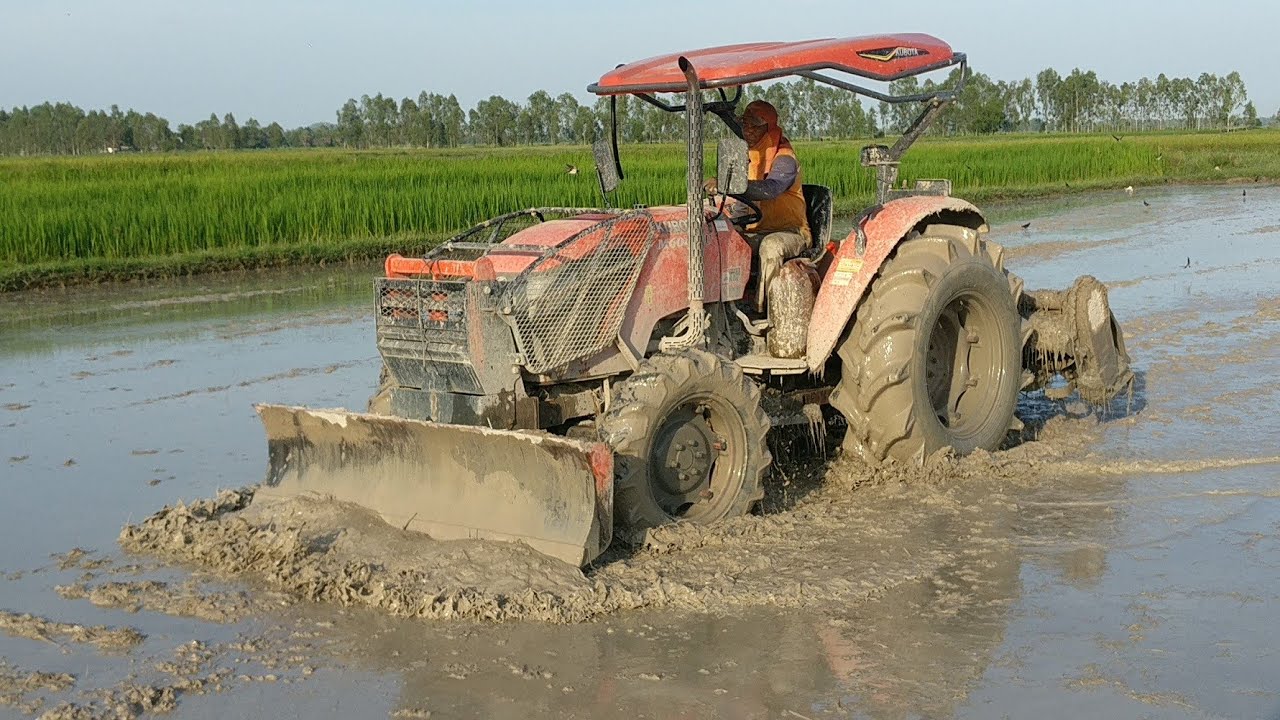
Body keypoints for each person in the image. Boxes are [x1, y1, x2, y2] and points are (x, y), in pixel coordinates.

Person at [706, 99, 811, 313]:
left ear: (768, 128)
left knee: (771, 247)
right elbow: (741, 129)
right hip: (758, 228)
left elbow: (770, 189)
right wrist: (721, 112)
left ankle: (767, 311)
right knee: (721, 239)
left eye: (754, 126)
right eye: (745, 124)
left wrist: (729, 186)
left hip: (789, 231)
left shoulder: (784, 159)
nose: (747, 130)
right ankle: (723, 306)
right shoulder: (754, 149)